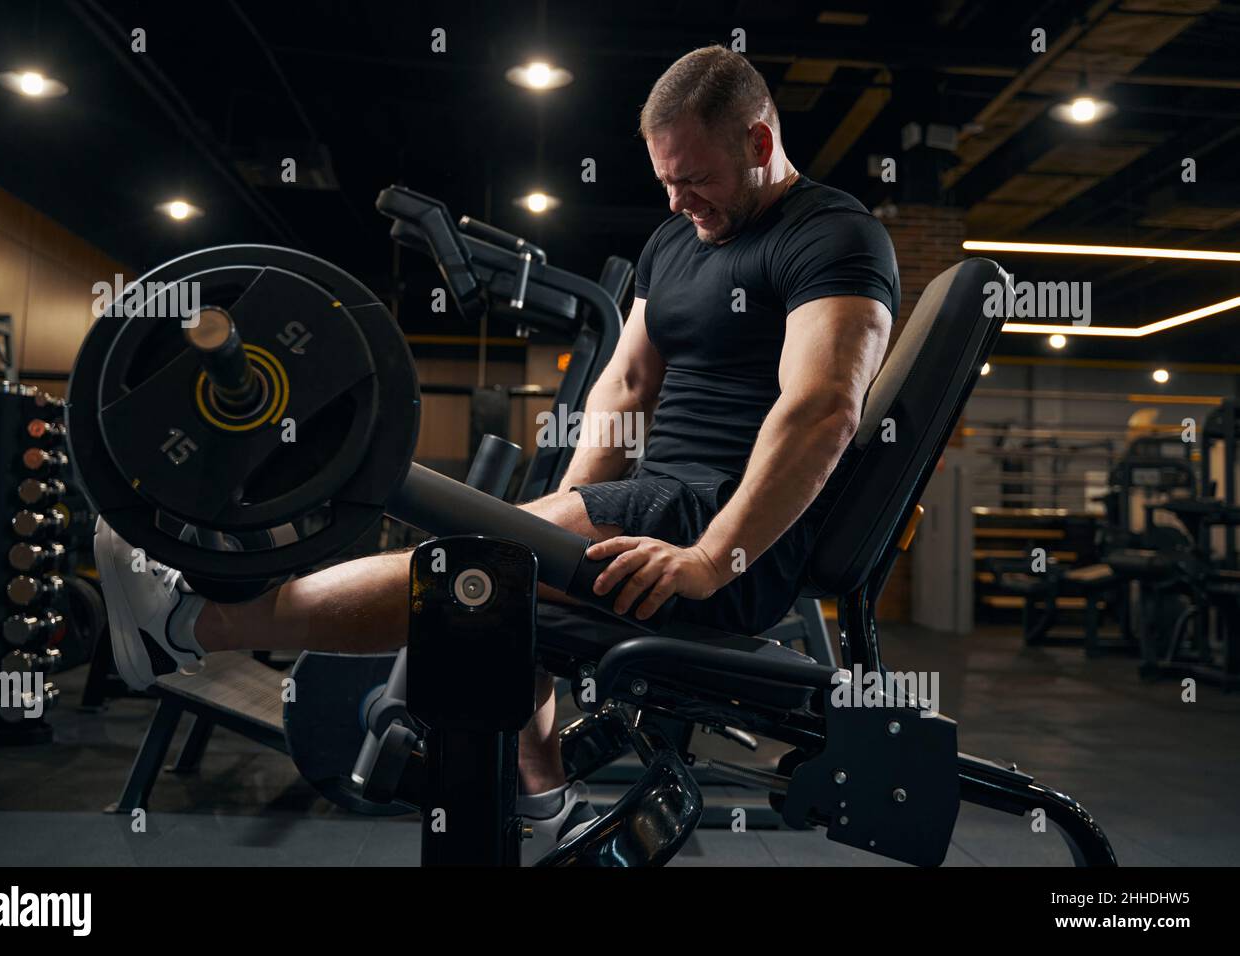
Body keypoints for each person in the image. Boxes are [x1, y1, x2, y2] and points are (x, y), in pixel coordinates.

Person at [95, 44, 898, 853]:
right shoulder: (673, 243)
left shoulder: (834, 236)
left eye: (694, 178)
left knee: (472, 568)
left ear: (760, 145)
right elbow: (623, 386)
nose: (678, 198)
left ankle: (195, 625)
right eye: (664, 180)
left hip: (712, 524)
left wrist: (714, 556)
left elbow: (822, 407)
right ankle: (546, 805)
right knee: (500, 588)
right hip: (656, 508)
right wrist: (562, 526)